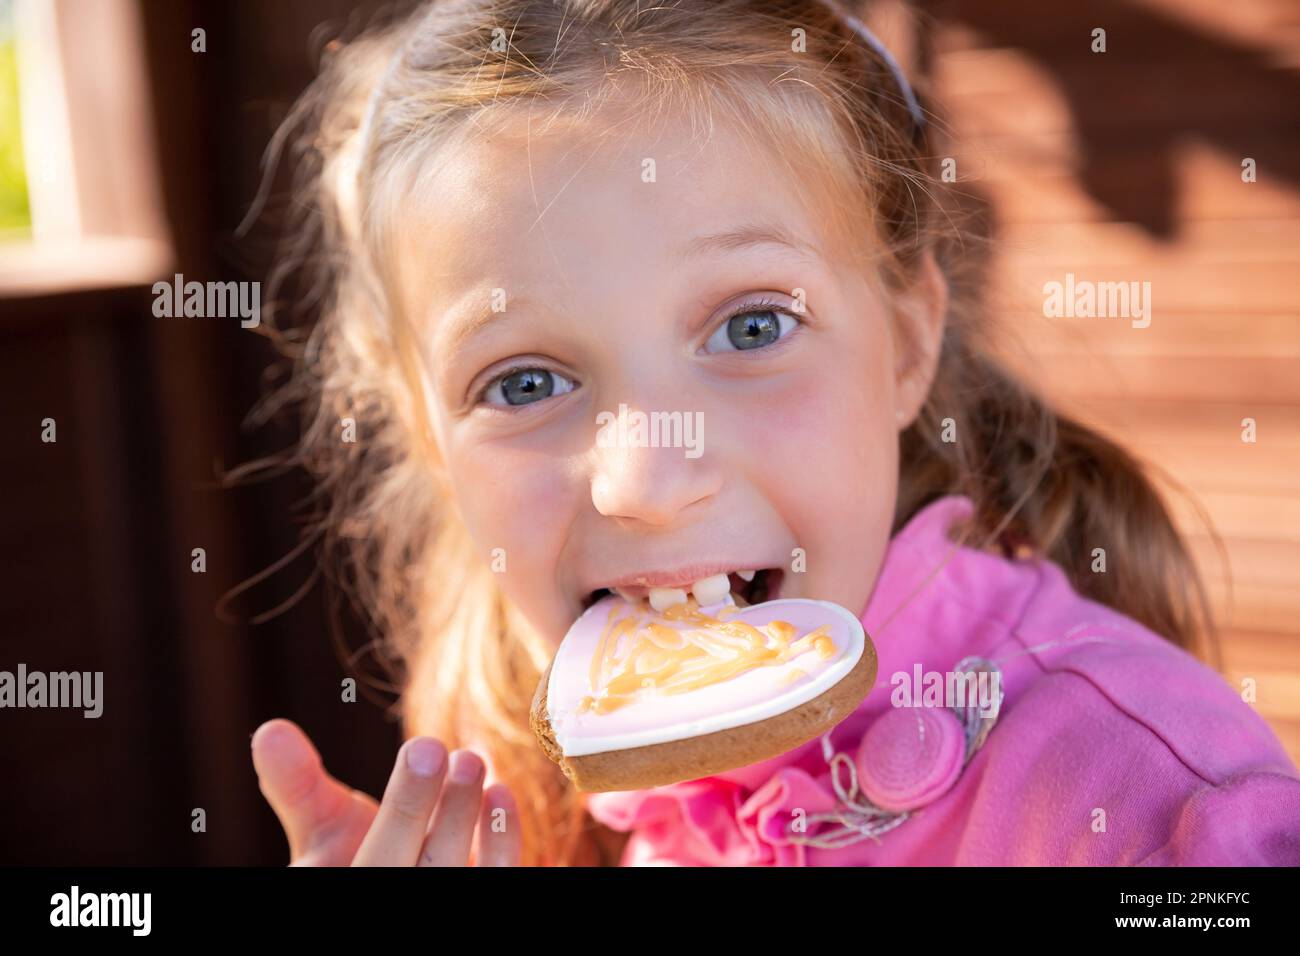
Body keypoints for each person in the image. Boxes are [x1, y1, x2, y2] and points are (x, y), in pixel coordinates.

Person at [246, 0, 1300, 866]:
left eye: (752, 326)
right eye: (525, 380)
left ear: (904, 338)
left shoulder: (1157, 811)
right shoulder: (539, 810)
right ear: (432, 441)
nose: (646, 480)